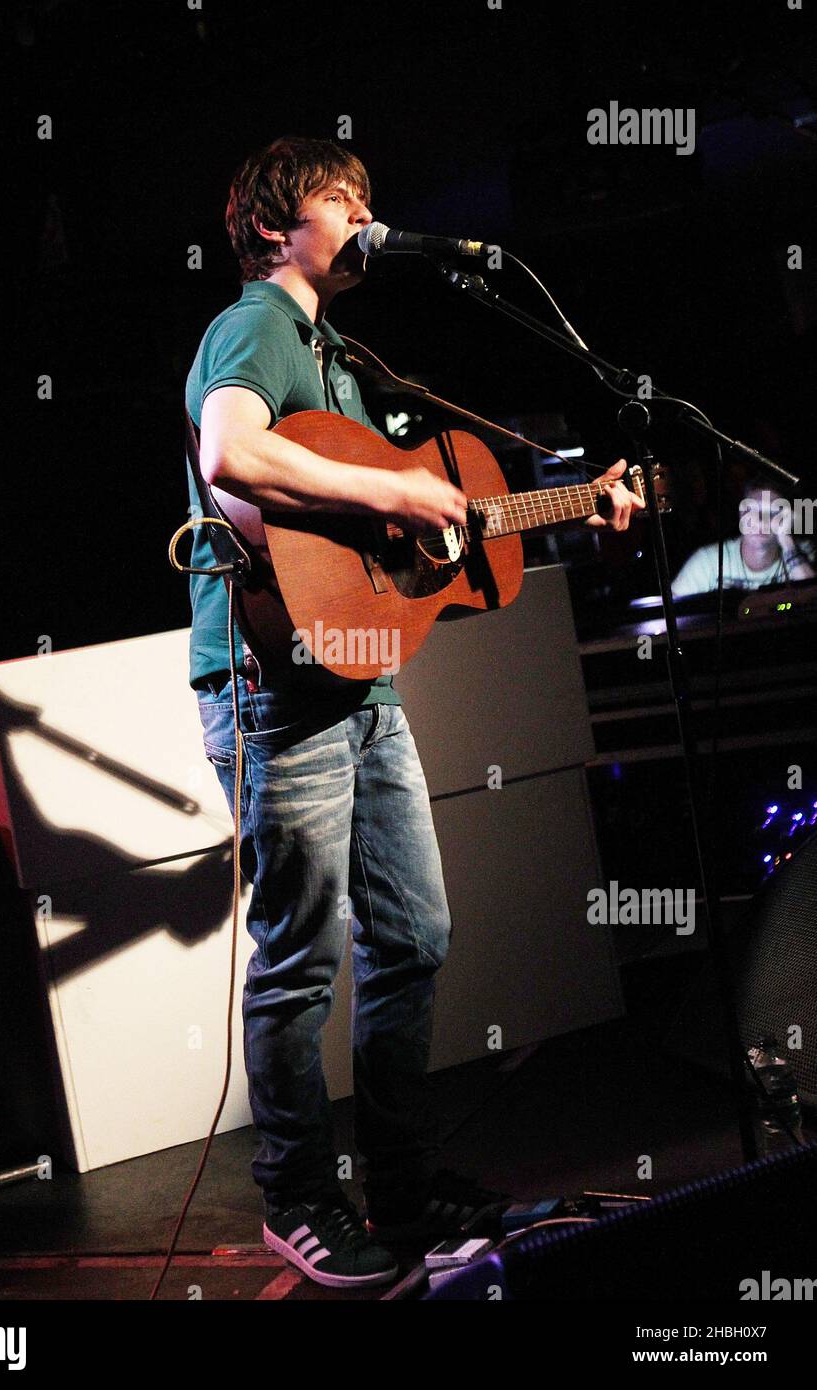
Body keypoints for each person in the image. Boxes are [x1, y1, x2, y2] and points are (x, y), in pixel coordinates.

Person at [184, 135, 643, 1289]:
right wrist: (399, 487)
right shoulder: (257, 324)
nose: (362, 213)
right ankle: (298, 1196)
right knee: (301, 956)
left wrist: (573, 503)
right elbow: (232, 454)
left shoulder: (339, 354)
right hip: (276, 687)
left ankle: (399, 1181)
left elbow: (389, 529)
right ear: (277, 225)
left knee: (417, 935)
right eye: (340, 199)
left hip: (358, 678)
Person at [671, 474, 815, 596]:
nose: (760, 520)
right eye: (751, 510)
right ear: (741, 513)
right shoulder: (707, 561)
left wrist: (787, 543)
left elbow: (812, 601)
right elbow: (668, 617)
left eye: (772, 513)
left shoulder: (805, 552)